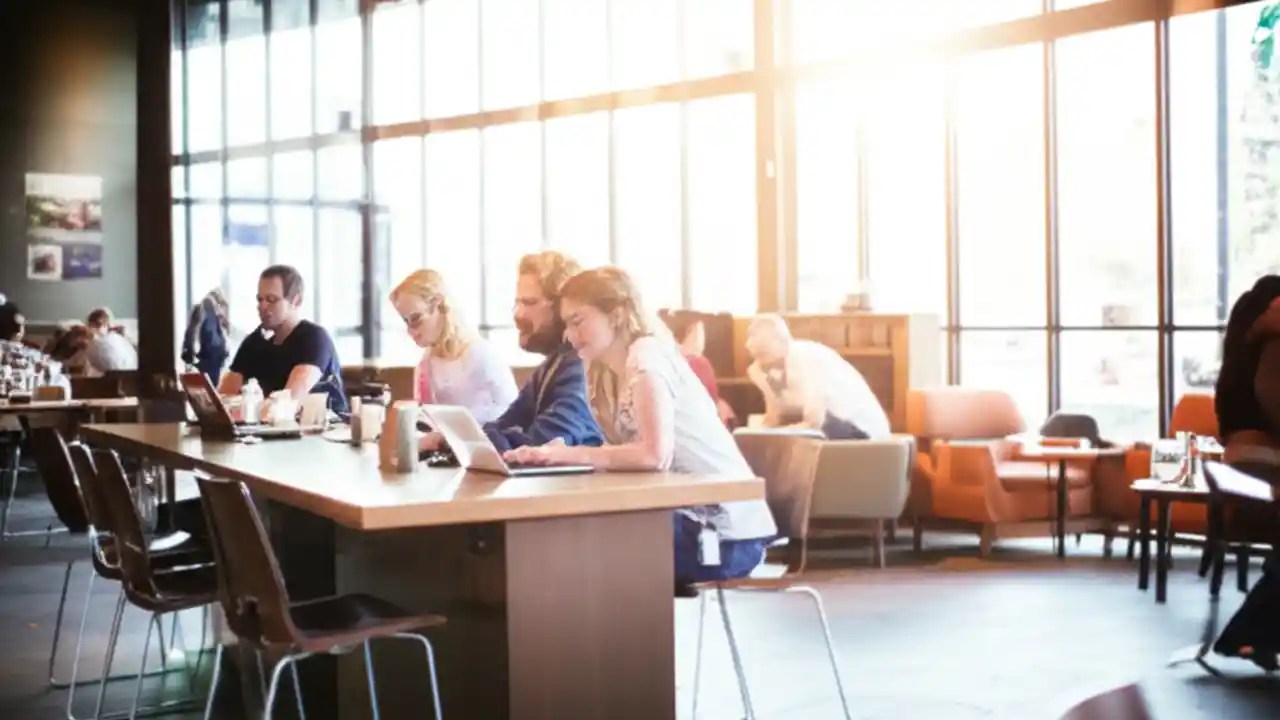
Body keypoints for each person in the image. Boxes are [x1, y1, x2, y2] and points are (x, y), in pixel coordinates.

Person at [504, 268, 776, 588]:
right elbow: (624, 458)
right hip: (679, 516)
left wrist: (570, 455)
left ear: (616, 315)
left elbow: (652, 455)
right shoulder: (599, 368)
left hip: (722, 533)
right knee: (556, 540)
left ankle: (606, 637)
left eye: (578, 321)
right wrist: (561, 454)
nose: (568, 335)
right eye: (566, 325)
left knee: (567, 549)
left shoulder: (648, 355)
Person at [420, 251, 602, 454]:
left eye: (530, 303)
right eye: (518, 303)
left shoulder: (579, 367)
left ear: (563, 308)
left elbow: (544, 441)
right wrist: (451, 439)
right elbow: (505, 424)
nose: (518, 314)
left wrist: (459, 442)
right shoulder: (551, 367)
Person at [391, 269, 517, 425]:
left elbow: (511, 411)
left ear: (439, 305)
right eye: (406, 321)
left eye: (416, 319)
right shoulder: (427, 363)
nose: (411, 331)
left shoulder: (481, 355)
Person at [219, 265, 347, 413]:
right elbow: (222, 399)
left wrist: (244, 406)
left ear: (296, 301)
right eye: (260, 300)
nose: (262, 306)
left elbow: (288, 403)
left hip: (323, 430)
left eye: (271, 300)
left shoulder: (314, 339)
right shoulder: (254, 342)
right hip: (271, 431)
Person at [745, 314, 890, 440]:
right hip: (827, 430)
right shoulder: (759, 370)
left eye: (765, 352)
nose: (763, 364)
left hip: (861, 431)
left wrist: (779, 432)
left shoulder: (808, 358)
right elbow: (774, 417)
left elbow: (814, 422)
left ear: (783, 344)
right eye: (757, 355)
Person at [663, 310, 736, 427]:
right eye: (700, 332)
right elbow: (710, 399)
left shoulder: (661, 359)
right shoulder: (698, 363)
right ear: (689, 333)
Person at [181, 289, 231, 386]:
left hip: (199, 373)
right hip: (210, 372)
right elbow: (218, 348)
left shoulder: (199, 316)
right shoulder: (210, 316)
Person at [84, 307, 139, 374]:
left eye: (99, 324)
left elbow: (131, 345)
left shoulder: (115, 335)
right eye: (92, 325)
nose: (96, 328)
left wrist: (124, 334)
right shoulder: (88, 336)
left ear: (107, 324)